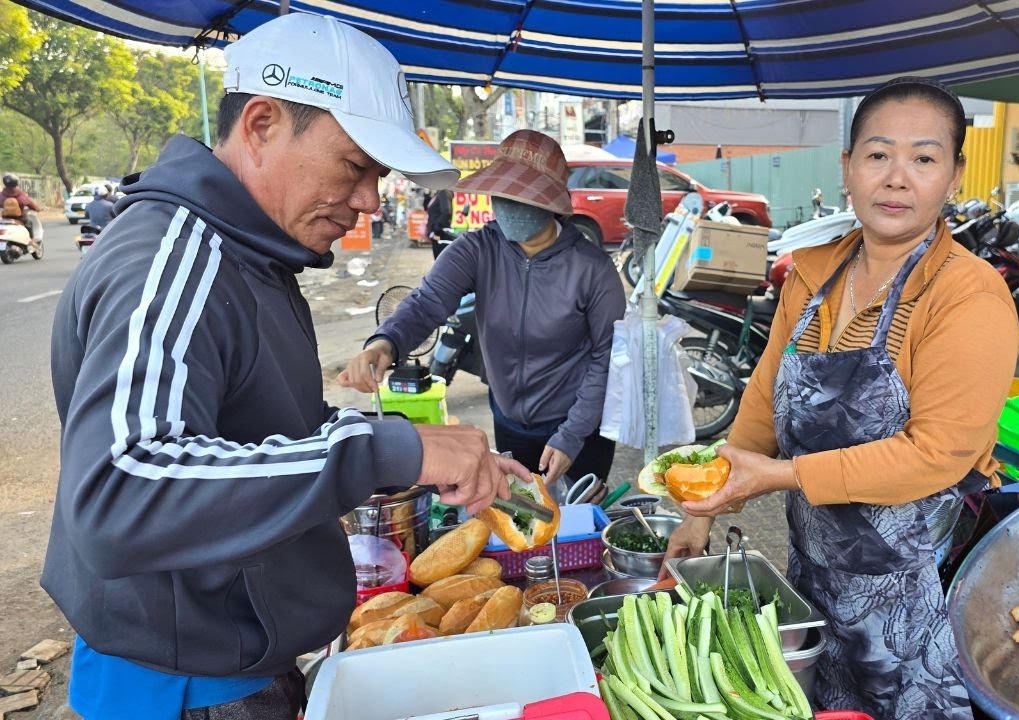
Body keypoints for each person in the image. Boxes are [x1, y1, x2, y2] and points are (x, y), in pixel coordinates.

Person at [45, 14, 524, 720]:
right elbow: (120, 488)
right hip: (184, 686)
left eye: (378, 176)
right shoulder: (173, 260)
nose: (368, 200)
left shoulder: (252, 257)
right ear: (263, 125)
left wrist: (406, 453)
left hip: (237, 661)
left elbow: (257, 427)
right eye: (354, 166)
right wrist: (380, 450)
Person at [661, 77, 1019, 718]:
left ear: (954, 175)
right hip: (819, 580)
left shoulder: (967, 296)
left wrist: (780, 475)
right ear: (848, 167)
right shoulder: (812, 274)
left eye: (924, 158)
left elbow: (938, 454)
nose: (897, 179)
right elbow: (763, 400)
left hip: (921, 600)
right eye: (878, 154)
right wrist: (704, 508)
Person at [340, 129, 626, 489]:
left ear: (550, 201)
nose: (509, 203)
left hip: (580, 429)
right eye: (502, 194)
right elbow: (426, 303)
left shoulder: (592, 268)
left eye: (522, 195)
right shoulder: (477, 249)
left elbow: (607, 358)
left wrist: (572, 434)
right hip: (509, 421)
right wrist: (385, 343)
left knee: (576, 518)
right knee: (521, 515)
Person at [2, 173, 43, 242]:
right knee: (29, 224)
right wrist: (38, 209)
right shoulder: (20, 194)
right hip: (20, 218)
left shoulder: (1, 195)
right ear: (16, 183)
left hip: (5, 218)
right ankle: (31, 241)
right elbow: (30, 203)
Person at [426, 185, 454, 258]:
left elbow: (446, 212)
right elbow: (427, 208)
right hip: (436, 233)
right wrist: (427, 194)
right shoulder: (437, 193)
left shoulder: (444, 192)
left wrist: (436, 229)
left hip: (440, 234)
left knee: (441, 260)